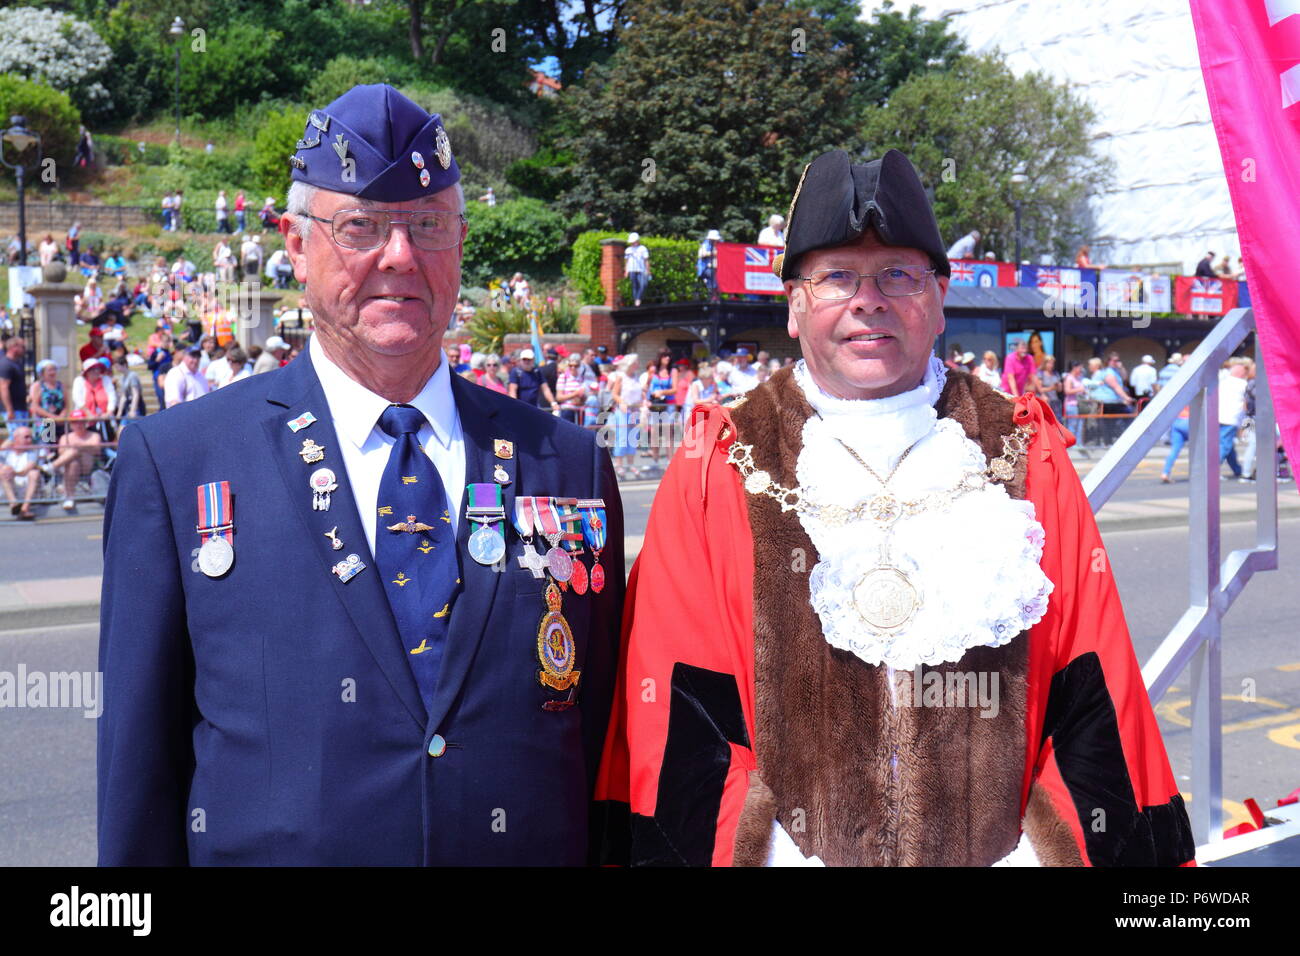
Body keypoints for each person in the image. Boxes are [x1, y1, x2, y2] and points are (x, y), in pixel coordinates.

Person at [593, 147, 1192, 867]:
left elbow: (1094, 695)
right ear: (794, 306)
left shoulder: (1028, 456)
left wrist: (1037, 858)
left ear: (939, 300)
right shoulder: (716, 465)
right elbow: (677, 710)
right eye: (836, 276)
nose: (867, 300)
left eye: (897, 275)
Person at [97, 83, 624, 866]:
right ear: (295, 243)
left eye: (427, 225)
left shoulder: (568, 463)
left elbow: (596, 739)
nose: (400, 257)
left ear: (461, 241)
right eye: (360, 227)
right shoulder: (179, 463)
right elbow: (138, 773)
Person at [50, 409, 102, 510]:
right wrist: (81, 448)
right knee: (73, 462)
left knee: (74, 451)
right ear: (71, 424)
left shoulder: (94, 435)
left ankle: (51, 467)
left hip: (87, 467)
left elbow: (96, 449)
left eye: (81, 422)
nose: (78, 425)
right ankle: (70, 497)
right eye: (75, 422)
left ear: (85, 423)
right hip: (70, 467)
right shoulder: (65, 437)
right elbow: (61, 452)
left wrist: (78, 447)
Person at [608, 354, 643, 479]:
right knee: (622, 437)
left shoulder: (636, 377)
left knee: (632, 438)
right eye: (636, 362)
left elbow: (641, 394)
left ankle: (630, 464)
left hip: (634, 410)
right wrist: (622, 402)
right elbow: (614, 394)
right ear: (631, 364)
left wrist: (644, 402)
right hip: (623, 411)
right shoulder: (621, 377)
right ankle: (619, 465)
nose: (638, 364)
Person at [0, 424, 40, 519]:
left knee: (34, 473)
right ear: (16, 438)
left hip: (25, 484)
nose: (29, 440)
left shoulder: (32, 453)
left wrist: (14, 473)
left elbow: (26, 470)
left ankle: (25, 508)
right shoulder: (6, 452)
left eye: (30, 437)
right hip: (9, 485)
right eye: (26, 437)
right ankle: (14, 504)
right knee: (3, 471)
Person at [1218, 361, 1248, 479]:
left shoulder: (1222, 382)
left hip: (1218, 416)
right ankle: (1212, 471)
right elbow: (1246, 404)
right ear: (1241, 373)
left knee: (1228, 445)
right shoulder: (1243, 384)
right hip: (1232, 418)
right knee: (1225, 445)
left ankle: (1237, 469)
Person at [0, 336, 28, 427]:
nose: (24, 349)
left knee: (22, 436)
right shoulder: (5, 364)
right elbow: (3, 388)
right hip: (13, 409)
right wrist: (9, 410)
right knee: (17, 436)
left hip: (21, 408)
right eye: (22, 347)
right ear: (14, 347)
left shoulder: (17, 363)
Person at [624, 232, 650, 307]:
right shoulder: (628, 250)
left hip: (641, 270)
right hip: (632, 269)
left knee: (643, 284)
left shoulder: (643, 248)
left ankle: (638, 298)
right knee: (634, 285)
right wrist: (626, 270)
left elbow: (646, 260)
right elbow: (626, 261)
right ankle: (636, 300)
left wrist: (648, 270)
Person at [697, 229, 721, 298]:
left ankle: (730, 295)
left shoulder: (719, 245)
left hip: (717, 267)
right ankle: (713, 295)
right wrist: (712, 253)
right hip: (705, 268)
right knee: (712, 274)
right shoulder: (705, 245)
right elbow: (701, 254)